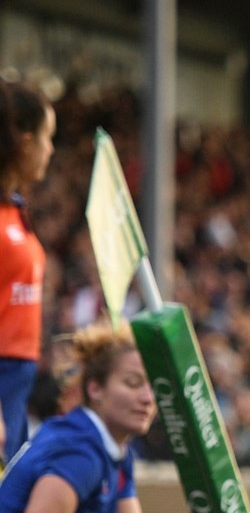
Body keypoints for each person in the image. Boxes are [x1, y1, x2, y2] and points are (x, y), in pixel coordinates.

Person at [0, 324, 155, 513]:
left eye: (152, 386)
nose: (148, 398)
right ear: (95, 389)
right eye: (133, 383)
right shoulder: (78, 453)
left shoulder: (118, 453)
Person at [0, 83, 56, 466]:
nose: (50, 150)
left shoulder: (15, 210)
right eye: (47, 137)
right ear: (24, 141)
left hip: (17, 384)